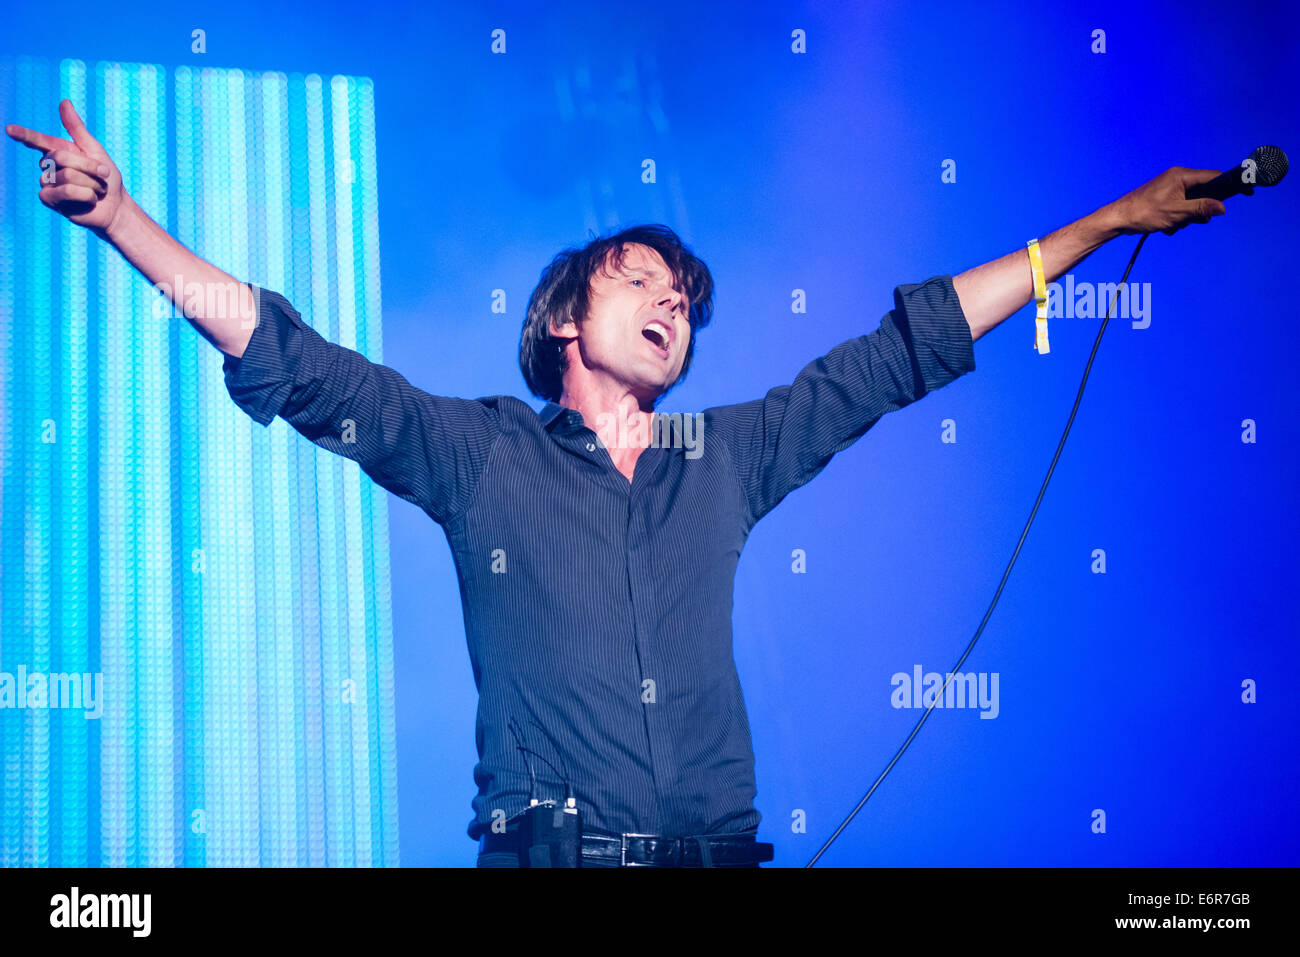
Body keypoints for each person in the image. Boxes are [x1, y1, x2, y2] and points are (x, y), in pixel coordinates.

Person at [6, 100, 1226, 867]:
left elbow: (895, 357)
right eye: (637, 278)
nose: (668, 302)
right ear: (562, 320)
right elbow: (298, 364)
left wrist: (1109, 216)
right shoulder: (482, 455)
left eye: (683, 298)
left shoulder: (725, 459)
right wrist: (126, 222)